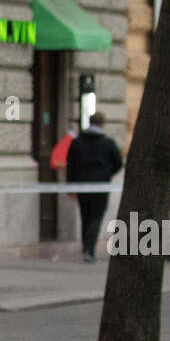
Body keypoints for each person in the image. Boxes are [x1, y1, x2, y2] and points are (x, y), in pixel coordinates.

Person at [65, 111, 122, 263]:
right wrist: (107, 174)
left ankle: (86, 246)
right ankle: (89, 249)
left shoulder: (77, 142)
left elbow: (70, 165)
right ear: (102, 124)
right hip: (101, 185)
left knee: (86, 216)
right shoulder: (108, 143)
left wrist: (71, 187)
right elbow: (118, 163)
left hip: (82, 184)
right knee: (96, 216)